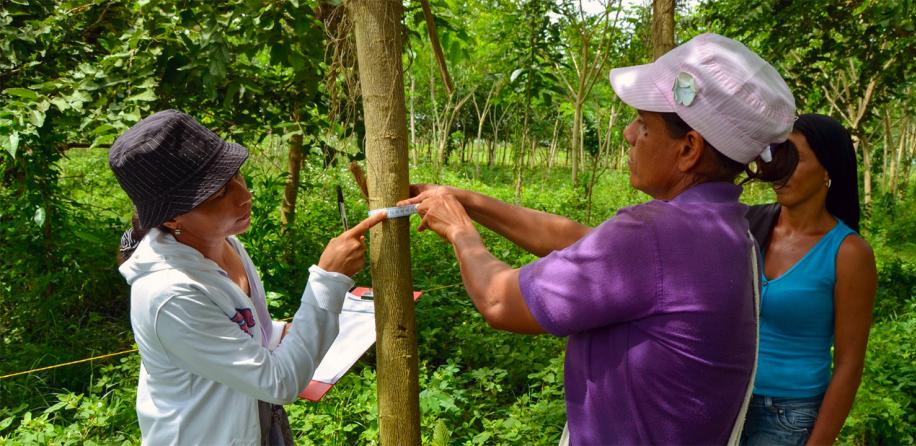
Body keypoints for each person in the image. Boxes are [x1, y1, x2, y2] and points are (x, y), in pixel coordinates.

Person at [400, 33, 797, 445]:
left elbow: (499, 301)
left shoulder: (655, 234)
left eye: (644, 124)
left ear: (689, 149)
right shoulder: (726, 228)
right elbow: (580, 241)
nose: (627, 134)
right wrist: (470, 201)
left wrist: (459, 229)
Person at [109, 110, 386, 445]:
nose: (243, 196)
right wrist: (327, 281)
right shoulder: (170, 294)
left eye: (236, 176)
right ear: (171, 220)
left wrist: (307, 328)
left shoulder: (227, 244)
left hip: (256, 423)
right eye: (217, 194)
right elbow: (279, 382)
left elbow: (258, 334)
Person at [740, 114, 877, 446]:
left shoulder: (848, 253)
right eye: (778, 157)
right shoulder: (748, 224)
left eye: (796, 159)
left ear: (828, 170)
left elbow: (849, 363)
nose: (781, 170)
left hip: (788, 417)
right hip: (730, 400)